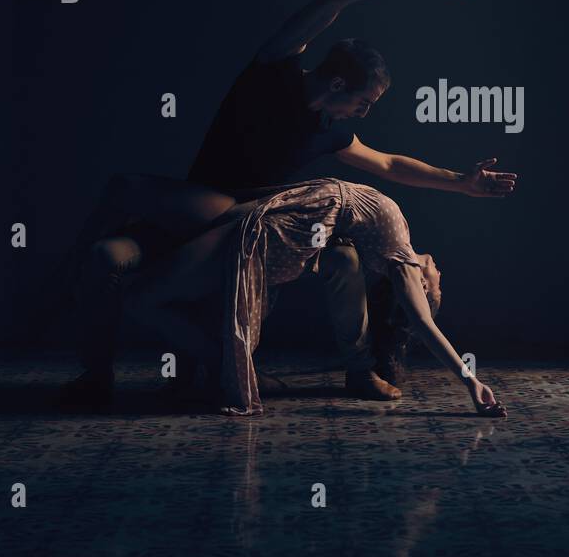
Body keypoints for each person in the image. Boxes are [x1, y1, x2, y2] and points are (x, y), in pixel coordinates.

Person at [59, 0, 516, 407]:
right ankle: (99, 377)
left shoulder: (330, 130)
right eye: (363, 102)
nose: (364, 114)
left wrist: (462, 182)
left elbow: (391, 163)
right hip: (194, 212)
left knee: (343, 258)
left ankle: (359, 372)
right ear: (337, 82)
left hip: (261, 228)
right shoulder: (274, 70)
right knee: (107, 256)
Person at [119, 178, 507, 419]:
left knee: (142, 298)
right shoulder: (391, 240)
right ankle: (220, 364)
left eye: (438, 285)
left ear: (422, 288)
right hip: (276, 213)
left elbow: (423, 325)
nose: (441, 274)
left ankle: (221, 364)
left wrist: (471, 383)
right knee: (145, 281)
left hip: (273, 234)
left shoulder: (402, 259)